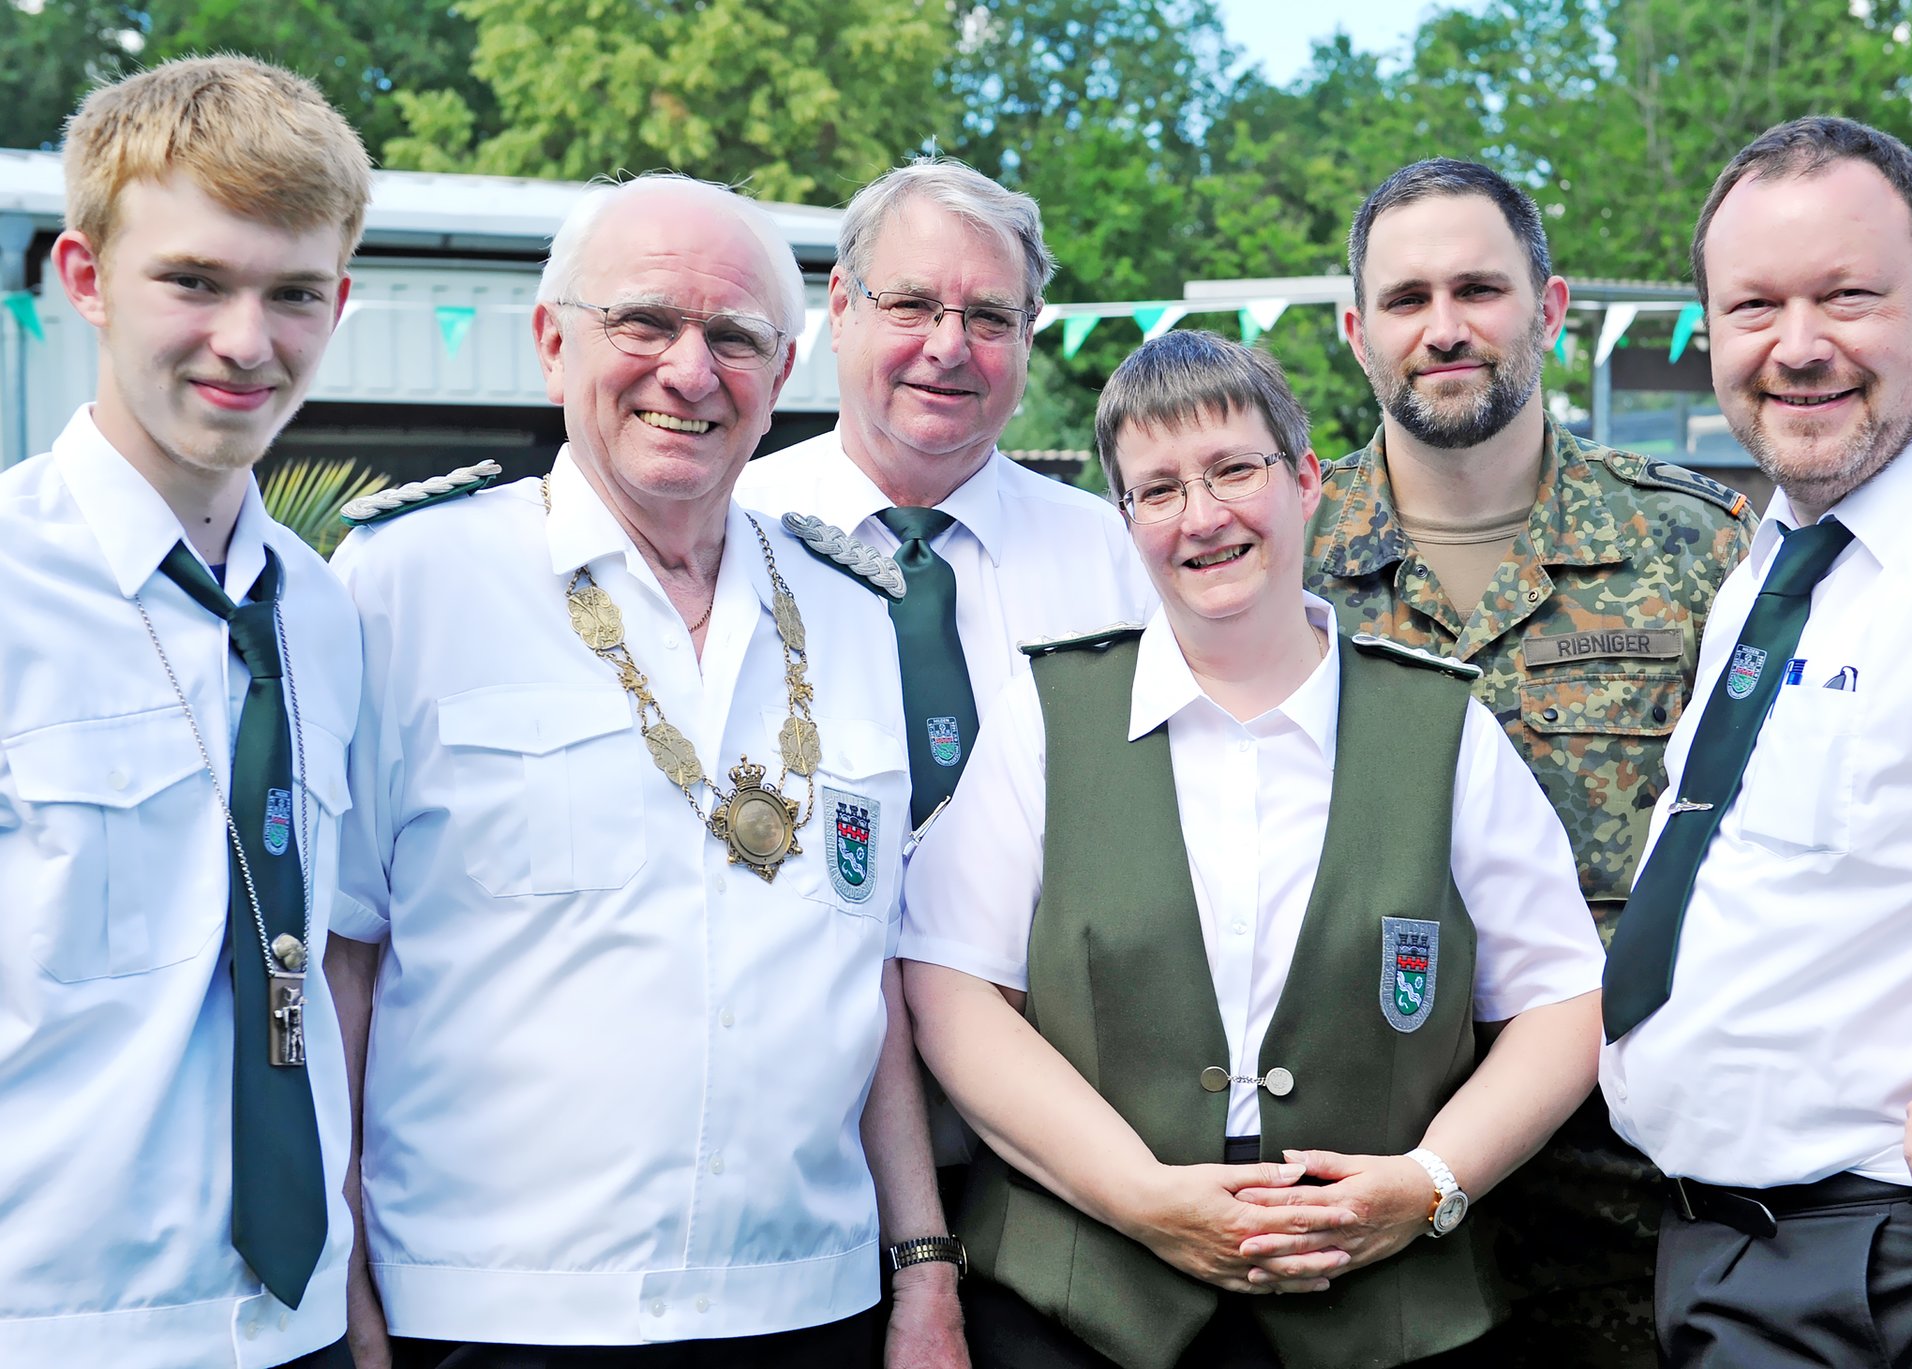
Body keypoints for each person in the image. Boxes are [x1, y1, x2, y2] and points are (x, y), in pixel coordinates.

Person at [325, 175, 963, 1368]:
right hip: (497, 1313)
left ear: (781, 377)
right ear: (550, 342)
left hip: (804, 1304)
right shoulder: (406, 583)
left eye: (733, 338)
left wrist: (921, 1269)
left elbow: (862, 969)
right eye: (645, 323)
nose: (689, 370)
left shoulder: (856, 611)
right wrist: (347, 1294)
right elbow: (340, 962)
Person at [901, 329, 1605, 1369]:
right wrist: (1139, 1197)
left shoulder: (1440, 727)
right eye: (1158, 488)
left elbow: (1559, 997)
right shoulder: (1043, 717)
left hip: (1384, 1319)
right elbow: (954, 988)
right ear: (1127, 519)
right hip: (1076, 1315)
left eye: (1234, 468)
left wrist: (1425, 1185)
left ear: (1306, 479)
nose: (1203, 516)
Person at [1599, 116, 1912, 1367]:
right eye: (1750, 307)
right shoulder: (1786, 553)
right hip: (1735, 1254)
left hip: (1886, 1274)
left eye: (1845, 296)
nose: (1795, 348)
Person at [1303, 157, 1755, 1364]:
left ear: (1546, 309)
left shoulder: (1695, 547)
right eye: (1404, 300)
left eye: (1477, 289)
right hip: (1353, 1184)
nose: (1442, 329)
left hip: (1633, 1198)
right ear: (1355, 333)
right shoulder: (1275, 557)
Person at [0, 56, 371, 1367]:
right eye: (195, 282)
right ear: (87, 278)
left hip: (295, 1324)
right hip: (53, 1329)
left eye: (293, 294)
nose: (245, 341)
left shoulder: (325, 613)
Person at [734, 155, 1155, 1210]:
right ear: (838, 306)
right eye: (911, 303)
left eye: (989, 316)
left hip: (1069, 1133)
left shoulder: (1118, 560)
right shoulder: (733, 537)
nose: (946, 347)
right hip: (786, 1137)